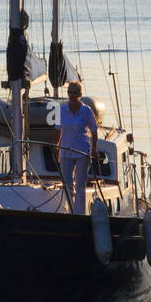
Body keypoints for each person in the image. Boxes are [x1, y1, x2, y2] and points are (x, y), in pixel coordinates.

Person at [57, 80, 98, 216]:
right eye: (69, 92)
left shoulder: (86, 111)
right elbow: (59, 130)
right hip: (66, 150)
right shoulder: (62, 109)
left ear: (80, 94)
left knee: (80, 184)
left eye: (74, 93)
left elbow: (94, 130)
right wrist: (57, 147)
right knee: (67, 183)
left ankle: (79, 213)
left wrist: (94, 148)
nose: (71, 95)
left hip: (81, 151)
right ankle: (71, 211)